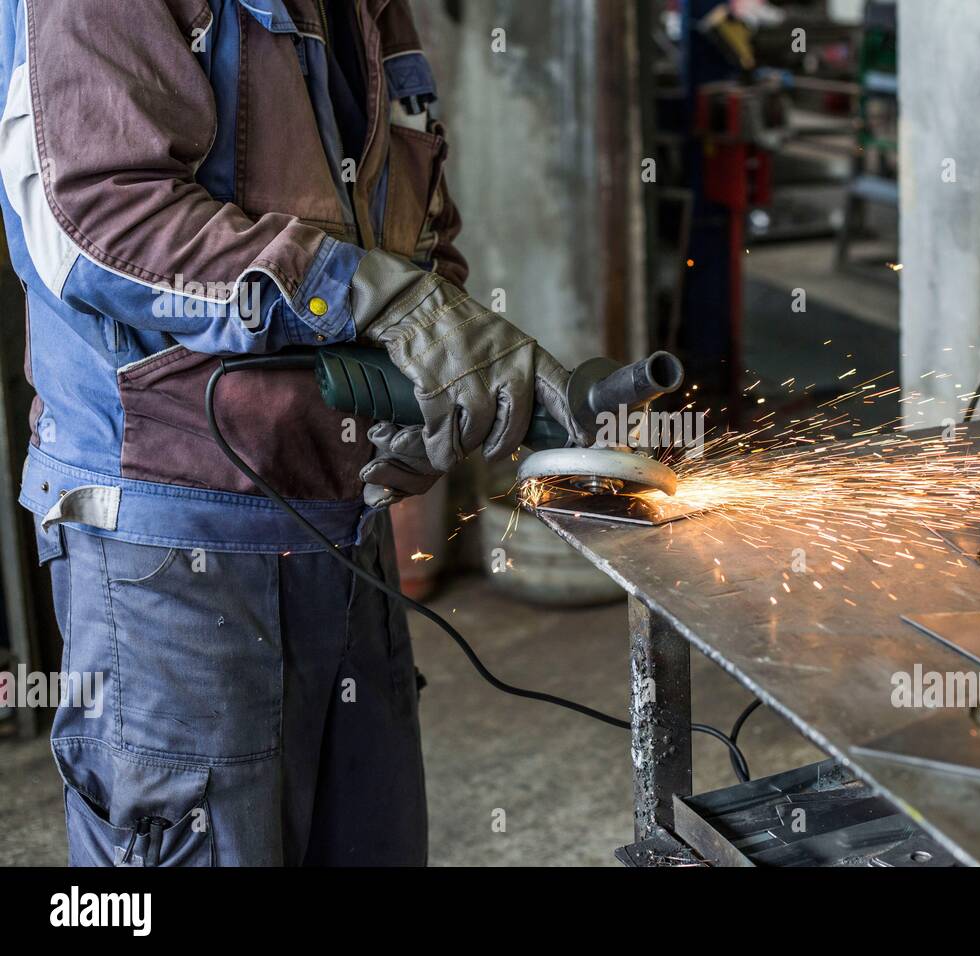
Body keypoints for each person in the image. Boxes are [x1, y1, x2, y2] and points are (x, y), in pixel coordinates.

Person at [0, 0, 579, 866]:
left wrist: (429, 349)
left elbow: (413, 215)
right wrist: (366, 297)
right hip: (173, 543)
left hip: (339, 525)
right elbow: (93, 225)